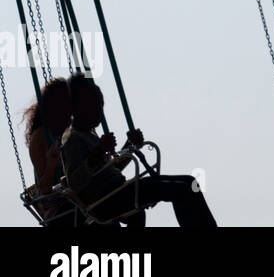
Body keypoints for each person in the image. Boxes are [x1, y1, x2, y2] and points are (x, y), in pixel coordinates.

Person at [58, 74, 217, 227]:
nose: (100, 111)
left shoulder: (89, 133)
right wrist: (99, 151)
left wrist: (130, 146)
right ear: (77, 107)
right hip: (110, 198)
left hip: (119, 192)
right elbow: (75, 182)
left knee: (188, 183)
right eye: (95, 106)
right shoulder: (72, 139)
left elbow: (108, 170)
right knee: (184, 187)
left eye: (101, 105)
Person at [23, 78, 74, 226]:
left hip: (81, 191)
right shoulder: (40, 137)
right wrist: (51, 163)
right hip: (58, 202)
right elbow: (44, 188)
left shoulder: (73, 130)